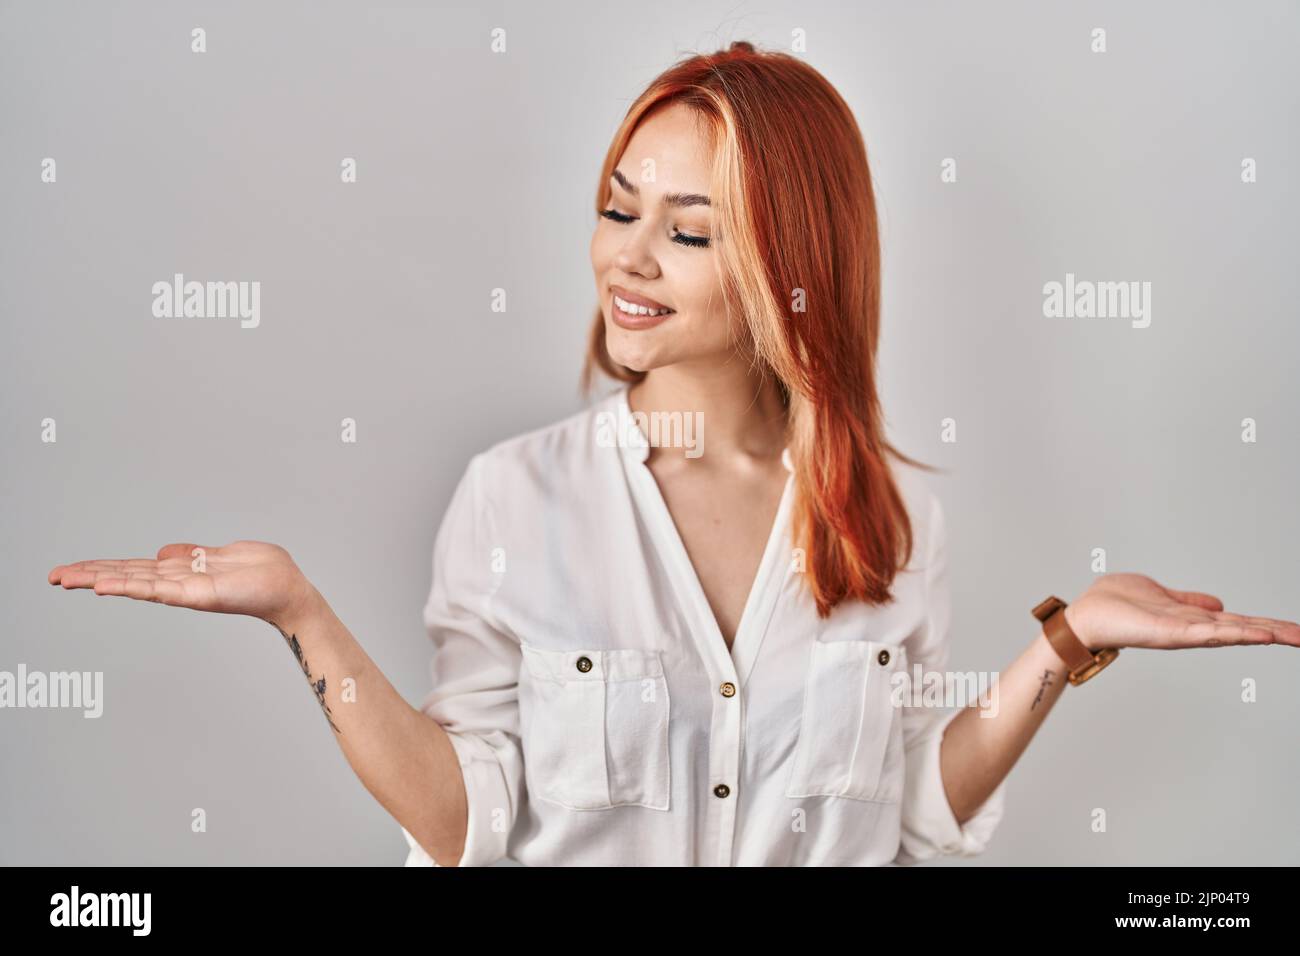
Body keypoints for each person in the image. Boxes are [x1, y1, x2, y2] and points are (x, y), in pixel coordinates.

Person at [47, 41, 1300, 867]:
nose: (626, 257)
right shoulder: (512, 499)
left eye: (688, 230)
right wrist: (302, 617)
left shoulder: (894, 513)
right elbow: (466, 816)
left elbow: (916, 804)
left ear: (789, 264)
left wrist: (1064, 642)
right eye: (616, 206)